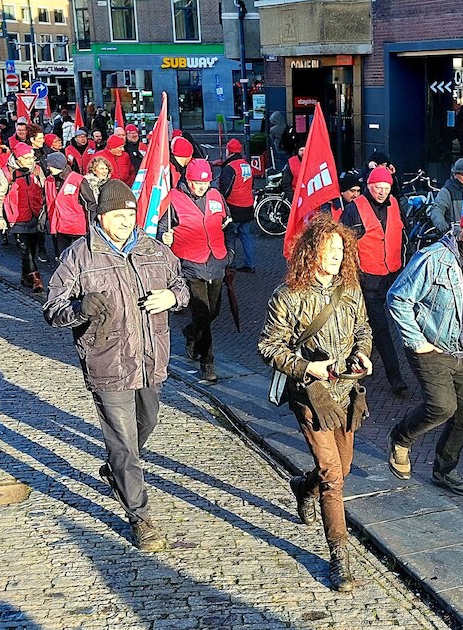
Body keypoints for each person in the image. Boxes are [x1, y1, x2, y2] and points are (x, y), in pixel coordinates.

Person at [43, 180, 190, 551]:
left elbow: (182, 286)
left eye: (130, 213)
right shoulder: (79, 256)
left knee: (147, 423)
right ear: (101, 216)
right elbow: (52, 309)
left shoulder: (154, 250)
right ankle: (140, 517)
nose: (126, 221)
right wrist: (79, 309)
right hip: (107, 362)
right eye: (118, 215)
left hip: (151, 359)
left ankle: (116, 470)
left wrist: (172, 297)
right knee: (124, 444)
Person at [258, 214, 372, 592]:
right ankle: (340, 556)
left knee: (343, 467)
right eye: (330, 249)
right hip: (310, 395)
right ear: (312, 251)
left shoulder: (350, 288)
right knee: (333, 476)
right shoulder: (288, 295)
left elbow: (362, 329)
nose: (337, 255)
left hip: (346, 393)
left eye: (341, 249)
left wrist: (363, 353)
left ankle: (302, 487)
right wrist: (308, 367)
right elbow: (269, 347)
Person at [386, 197, 463, 496]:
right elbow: (398, 297)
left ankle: (444, 470)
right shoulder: (433, 259)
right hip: (433, 348)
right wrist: (417, 342)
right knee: (442, 406)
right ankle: (401, 437)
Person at [339, 166, 408, 395]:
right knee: (381, 327)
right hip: (367, 280)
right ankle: (395, 377)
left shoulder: (396, 205)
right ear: (369, 186)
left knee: (392, 324)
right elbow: (344, 245)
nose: (382, 192)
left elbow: (403, 236)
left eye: (386, 188)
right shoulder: (354, 209)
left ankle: (365, 352)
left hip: (393, 277)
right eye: (378, 188)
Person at [162, 159, 229, 384]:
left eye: (205, 182)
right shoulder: (173, 199)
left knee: (213, 311)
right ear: (188, 180)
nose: (202, 186)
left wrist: (230, 253)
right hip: (190, 262)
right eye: (197, 182)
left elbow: (226, 223)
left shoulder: (216, 196)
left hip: (216, 259)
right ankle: (207, 361)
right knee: (202, 313)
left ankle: (191, 332)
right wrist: (164, 236)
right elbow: (161, 227)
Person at [0, 142, 47, 292]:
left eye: (32, 157)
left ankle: (25, 276)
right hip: (17, 216)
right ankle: (36, 279)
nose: (31, 161)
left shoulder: (36, 169)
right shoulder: (6, 172)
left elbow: (44, 189)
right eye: (27, 158)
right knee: (25, 249)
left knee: (33, 248)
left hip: (35, 214)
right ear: (18, 158)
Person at [217, 138, 256, 272]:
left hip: (234, 206)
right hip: (248, 205)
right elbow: (251, 184)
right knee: (246, 236)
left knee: (230, 236)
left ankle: (230, 263)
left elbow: (225, 189)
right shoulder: (246, 165)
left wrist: (221, 200)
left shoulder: (230, 167)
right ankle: (250, 264)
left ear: (229, 151)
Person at [46, 152, 89, 252]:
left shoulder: (78, 180)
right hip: (59, 227)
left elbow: (89, 203)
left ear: (57, 165)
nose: (48, 168)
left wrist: (90, 224)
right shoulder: (49, 181)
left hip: (77, 227)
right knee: (63, 255)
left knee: (78, 255)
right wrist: (43, 219)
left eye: (50, 165)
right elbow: (46, 202)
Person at [429, 158, 463, 236]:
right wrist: (445, 229)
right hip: (456, 235)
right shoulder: (447, 191)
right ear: (455, 175)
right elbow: (437, 209)